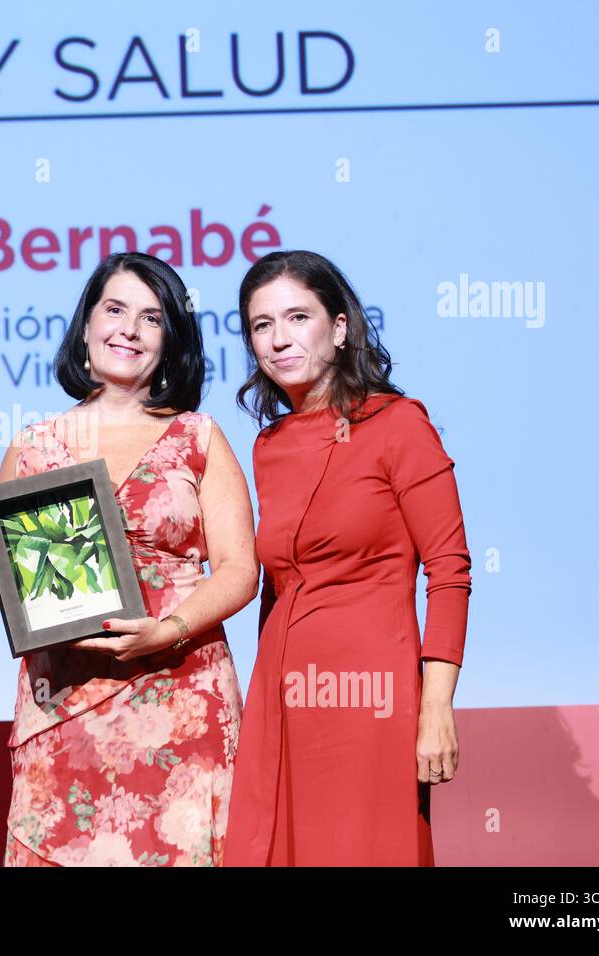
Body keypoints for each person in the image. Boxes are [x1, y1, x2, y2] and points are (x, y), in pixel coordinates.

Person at [0, 252, 258, 866]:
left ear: (168, 339)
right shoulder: (34, 445)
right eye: (115, 309)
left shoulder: (199, 437)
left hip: (181, 696)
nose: (129, 329)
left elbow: (239, 570)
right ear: (87, 325)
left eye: (151, 317)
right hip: (63, 704)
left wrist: (165, 630)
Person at [223, 250, 472, 866]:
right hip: (283, 696)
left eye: (297, 317)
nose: (279, 339)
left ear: (339, 328)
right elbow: (278, 587)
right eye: (261, 325)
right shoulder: (269, 446)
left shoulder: (399, 424)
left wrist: (435, 706)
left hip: (374, 695)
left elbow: (450, 570)